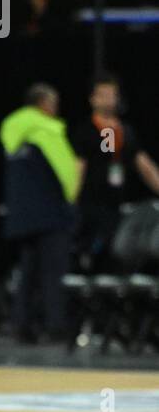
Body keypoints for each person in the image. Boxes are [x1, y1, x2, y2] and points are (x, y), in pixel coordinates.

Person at [0, 83, 80, 343]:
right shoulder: (47, 130)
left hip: (22, 218)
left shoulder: (12, 131)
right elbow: (68, 171)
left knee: (28, 273)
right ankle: (55, 327)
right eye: (54, 103)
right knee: (54, 273)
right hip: (51, 216)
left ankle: (21, 327)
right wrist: (72, 201)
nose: (56, 109)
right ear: (43, 104)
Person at [70, 73, 159, 269]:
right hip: (90, 207)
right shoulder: (85, 131)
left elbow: (144, 166)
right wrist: (71, 203)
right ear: (93, 99)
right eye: (103, 95)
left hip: (116, 206)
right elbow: (78, 169)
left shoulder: (126, 132)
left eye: (112, 95)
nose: (109, 100)